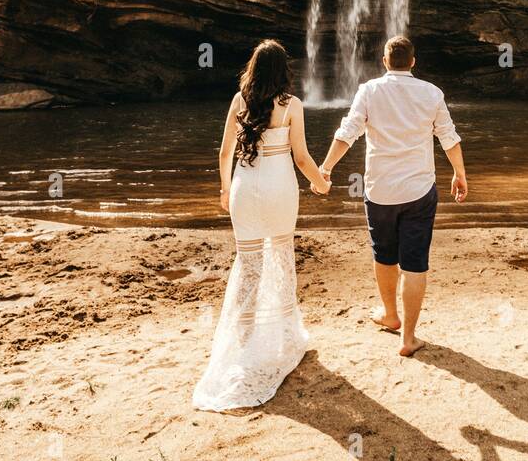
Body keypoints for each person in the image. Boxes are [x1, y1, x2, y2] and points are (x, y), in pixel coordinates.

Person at [193, 39, 330, 411]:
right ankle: (285, 339)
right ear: (283, 70)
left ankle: (243, 341)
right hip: (279, 189)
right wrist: (320, 183)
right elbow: (301, 158)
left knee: (249, 265)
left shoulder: (240, 101)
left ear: (253, 68)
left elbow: (224, 153)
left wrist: (225, 189)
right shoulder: (291, 106)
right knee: (281, 259)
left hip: (244, 189)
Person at [315, 35, 467, 357]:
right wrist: (459, 174)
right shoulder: (432, 93)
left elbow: (348, 133)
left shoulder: (369, 90)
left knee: (384, 254)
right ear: (413, 61)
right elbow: (448, 138)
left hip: (380, 190)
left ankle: (389, 314)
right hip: (418, 191)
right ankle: (408, 338)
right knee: (415, 264)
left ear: (385, 62)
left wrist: (325, 168)